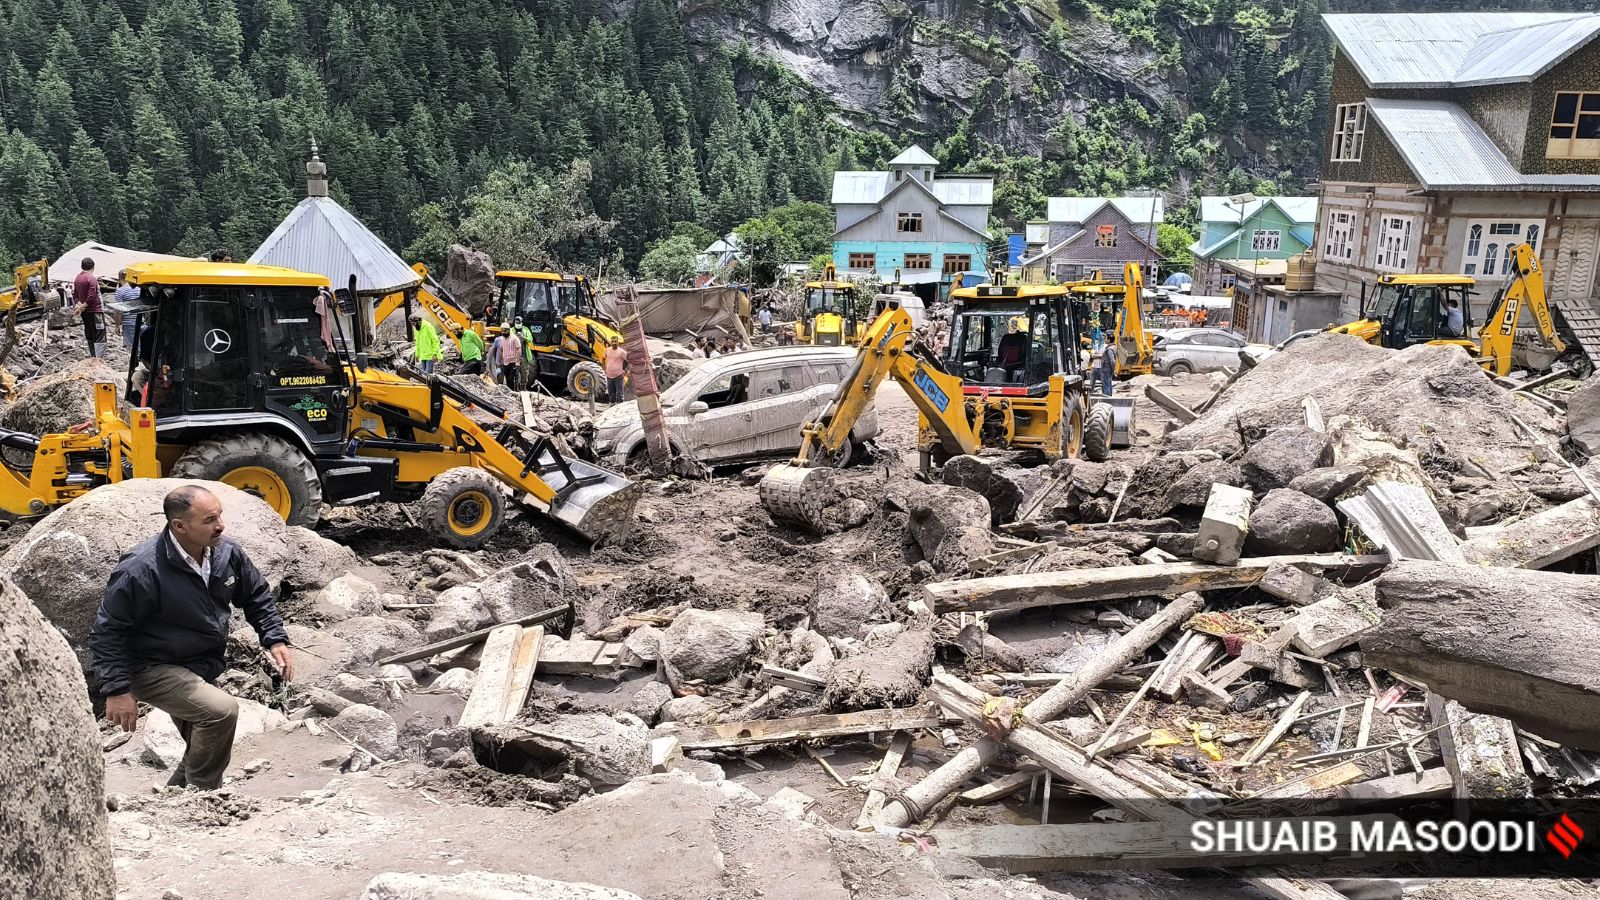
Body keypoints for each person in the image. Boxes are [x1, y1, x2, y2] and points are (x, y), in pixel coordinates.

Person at [90, 485, 295, 790]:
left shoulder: (226, 553)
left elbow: (255, 596)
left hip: (197, 661)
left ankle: (179, 795)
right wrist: (118, 690)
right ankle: (202, 794)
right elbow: (108, 630)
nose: (220, 525)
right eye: (210, 519)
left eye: (220, 515)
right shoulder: (142, 569)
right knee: (220, 712)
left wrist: (274, 638)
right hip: (149, 665)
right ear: (180, 526)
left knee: (202, 735)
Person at [74, 257, 105, 358]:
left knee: (89, 333)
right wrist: (83, 307)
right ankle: (99, 359)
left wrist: (80, 307)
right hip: (95, 310)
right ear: (93, 266)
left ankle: (92, 355)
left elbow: (75, 296)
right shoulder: (91, 278)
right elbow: (91, 296)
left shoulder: (77, 278)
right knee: (99, 334)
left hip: (85, 312)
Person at [113, 270, 141, 350]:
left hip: (129, 323)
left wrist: (117, 326)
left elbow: (118, 310)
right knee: (141, 347)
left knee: (133, 349)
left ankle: (136, 362)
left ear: (119, 278)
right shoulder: (139, 289)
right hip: (142, 322)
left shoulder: (120, 291)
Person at [603, 336, 628, 404]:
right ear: (611, 342)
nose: (614, 343)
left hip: (619, 376)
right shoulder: (607, 350)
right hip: (609, 375)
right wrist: (604, 368)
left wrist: (625, 370)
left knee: (619, 392)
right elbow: (603, 358)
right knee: (611, 392)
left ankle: (620, 405)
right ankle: (612, 404)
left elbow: (628, 361)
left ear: (618, 342)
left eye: (615, 341)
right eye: (612, 341)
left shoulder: (622, 352)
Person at [498, 323, 523, 389]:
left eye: (505, 330)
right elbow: (501, 349)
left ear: (508, 330)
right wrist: (499, 361)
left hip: (513, 362)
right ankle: (509, 392)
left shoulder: (514, 338)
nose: (503, 332)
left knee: (511, 379)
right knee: (507, 379)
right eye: (502, 330)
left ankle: (513, 392)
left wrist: (517, 362)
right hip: (505, 362)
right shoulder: (501, 339)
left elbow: (519, 349)